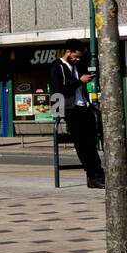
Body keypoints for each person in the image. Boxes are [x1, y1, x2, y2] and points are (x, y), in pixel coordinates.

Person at [50, 39, 104, 188]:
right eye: (76, 56)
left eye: (80, 57)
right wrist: (60, 117)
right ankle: (94, 176)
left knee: (91, 144)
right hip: (71, 111)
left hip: (84, 108)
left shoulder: (78, 66)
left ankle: (97, 174)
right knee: (82, 146)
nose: (78, 59)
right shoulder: (57, 67)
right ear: (68, 52)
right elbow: (58, 91)